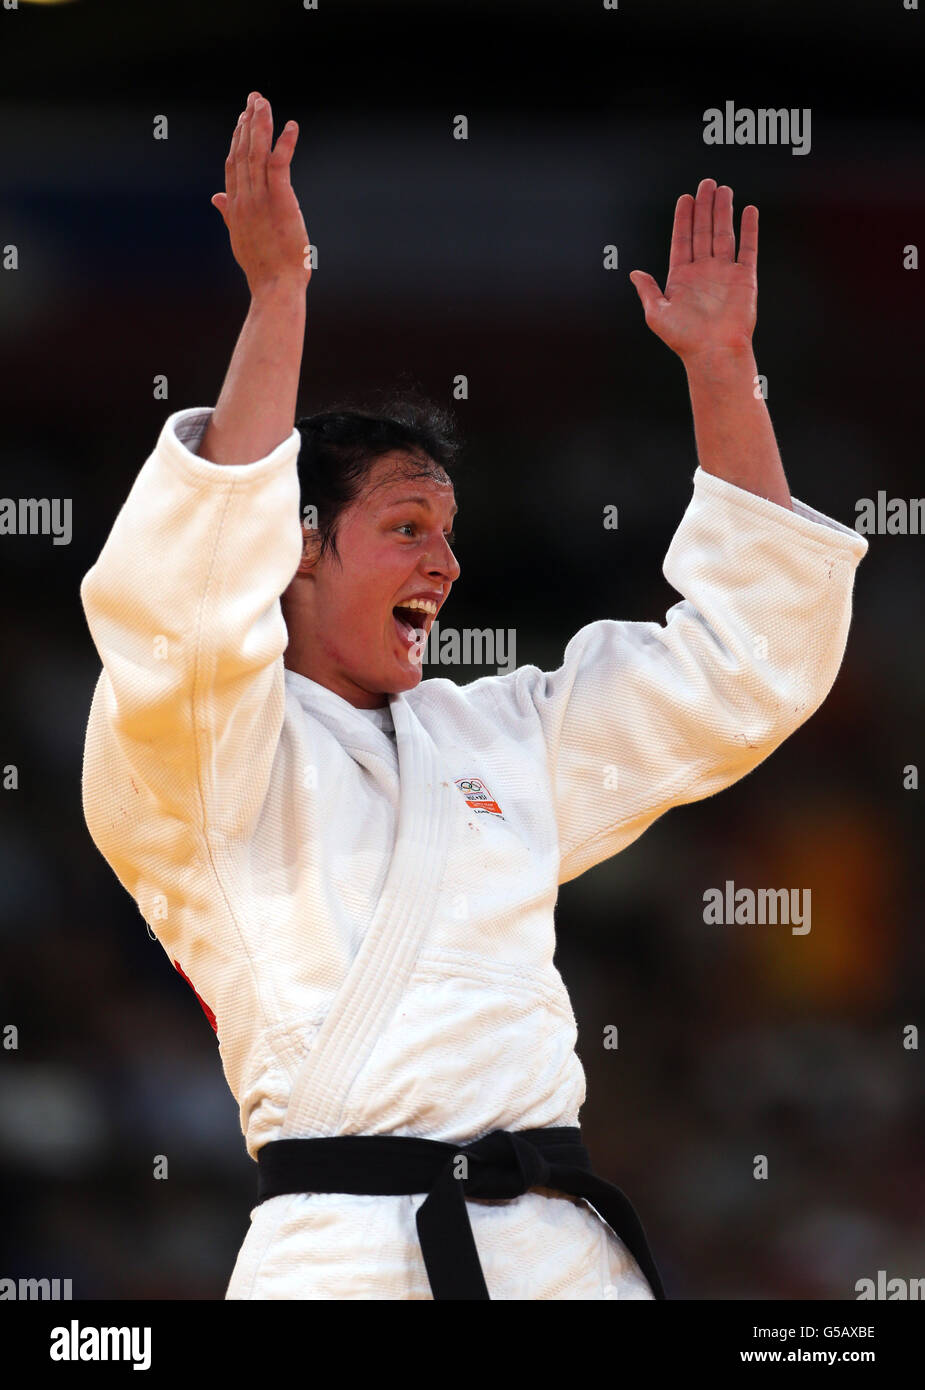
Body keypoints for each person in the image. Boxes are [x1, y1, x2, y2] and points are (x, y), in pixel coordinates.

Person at [79, 90, 869, 1300]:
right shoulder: (200, 749)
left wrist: (720, 370)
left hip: (558, 1254)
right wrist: (278, 298)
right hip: (342, 1255)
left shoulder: (496, 735)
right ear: (292, 548)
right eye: (404, 527)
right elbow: (178, 600)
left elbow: (746, 665)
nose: (443, 565)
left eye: (448, 534)